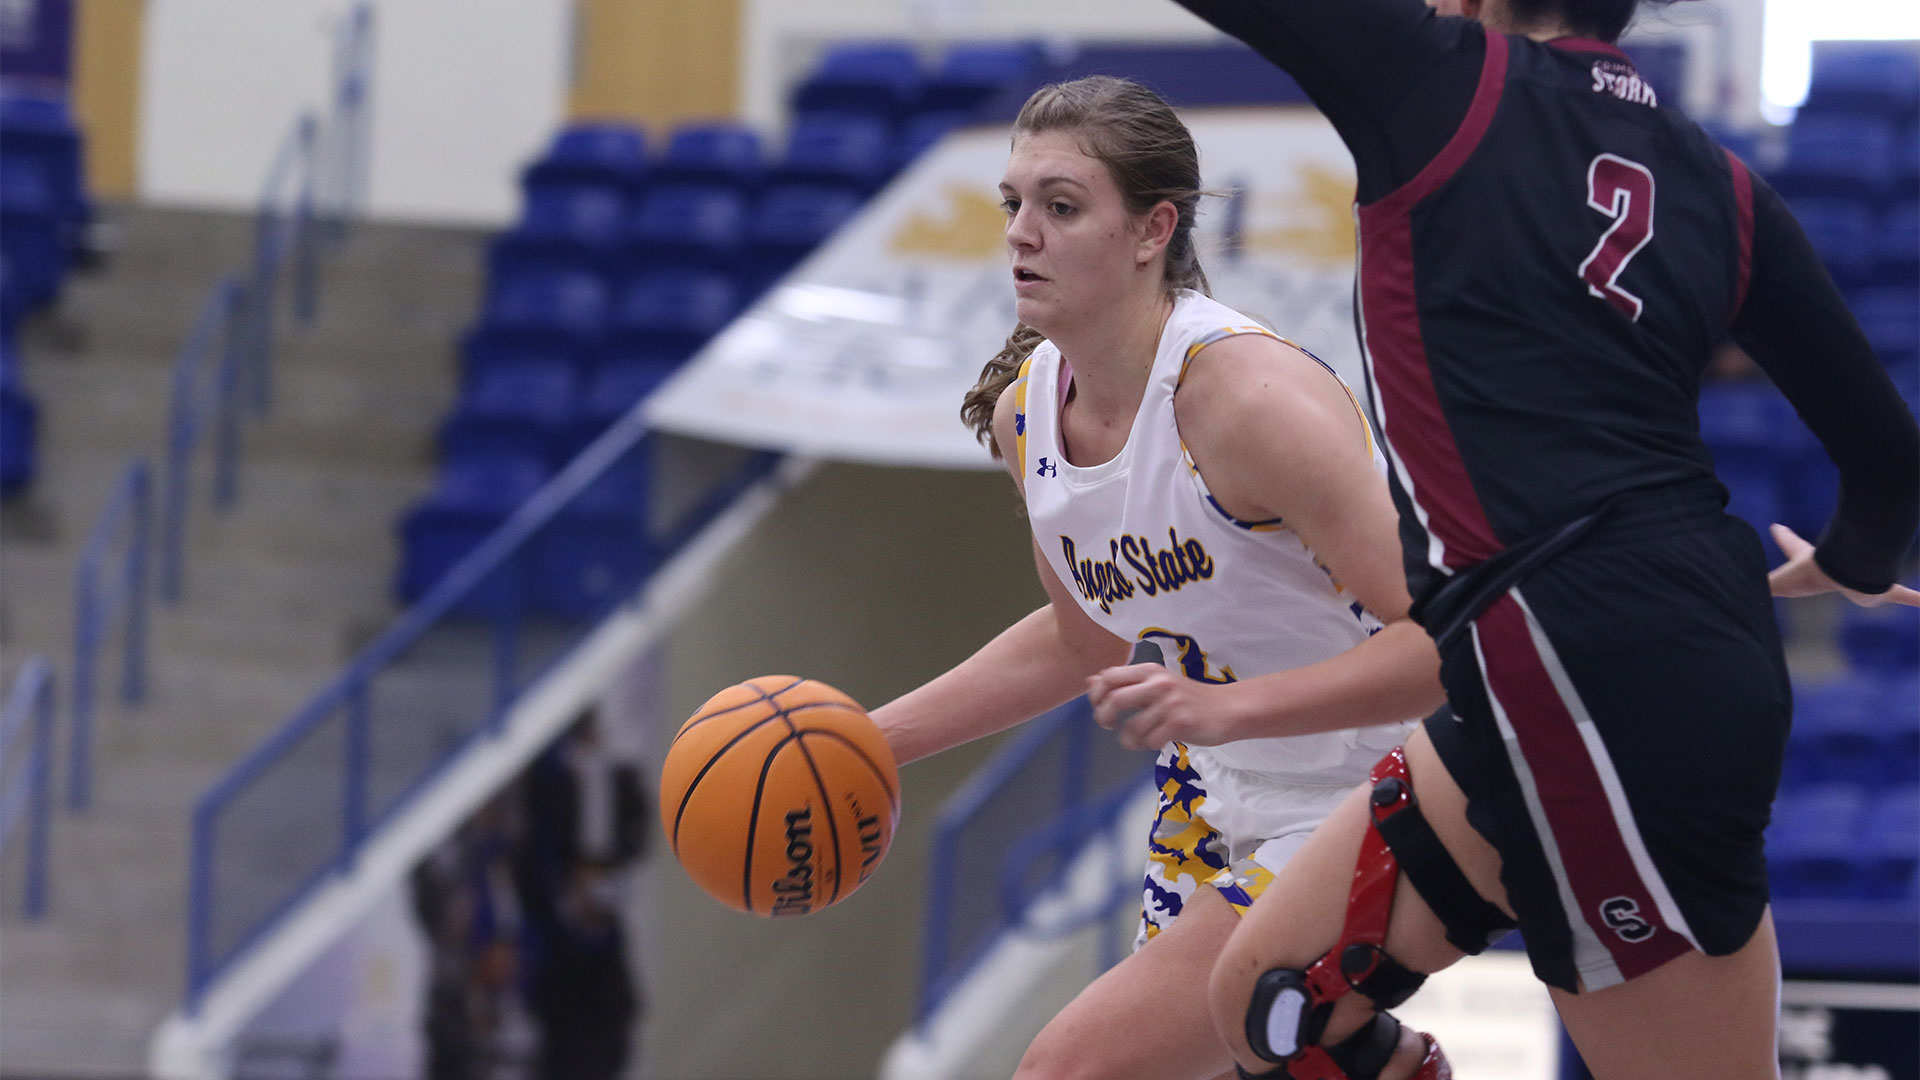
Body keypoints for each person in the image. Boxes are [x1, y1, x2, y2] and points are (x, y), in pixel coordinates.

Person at [1088, 1, 1920, 1077]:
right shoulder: (1720, 182)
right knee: (1278, 1006)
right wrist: (1849, 559)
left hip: (1580, 656)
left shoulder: (1446, 82)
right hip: (1581, 651)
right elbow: (1893, 464)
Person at [869, 74, 1449, 1080]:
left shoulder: (1248, 403)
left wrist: (1231, 710)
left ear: (1151, 231)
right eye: (1013, 204)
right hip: (1219, 788)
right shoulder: (1027, 414)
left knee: (1071, 1072)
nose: (1020, 232)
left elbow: (1451, 643)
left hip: (1382, 782)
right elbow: (1084, 641)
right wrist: (869, 744)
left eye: (1061, 206)